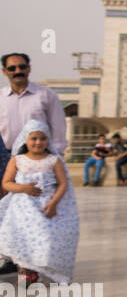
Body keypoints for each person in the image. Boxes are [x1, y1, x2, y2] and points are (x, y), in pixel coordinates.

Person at [0, 119, 79, 285]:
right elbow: (6, 183)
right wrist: (23, 188)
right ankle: (24, 274)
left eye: (42, 138)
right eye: (34, 138)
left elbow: (63, 183)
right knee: (21, 242)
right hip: (22, 210)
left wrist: (54, 203)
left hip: (45, 208)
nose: (38, 142)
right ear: (25, 140)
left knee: (43, 241)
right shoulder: (17, 160)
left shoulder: (53, 160)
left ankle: (38, 271)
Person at [1, 53, 68, 159]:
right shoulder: (1, 97)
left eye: (22, 67)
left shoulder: (46, 95)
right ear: (4, 71)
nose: (18, 71)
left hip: (39, 157)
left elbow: (58, 127)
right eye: (12, 68)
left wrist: (57, 154)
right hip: (4, 157)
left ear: (29, 68)